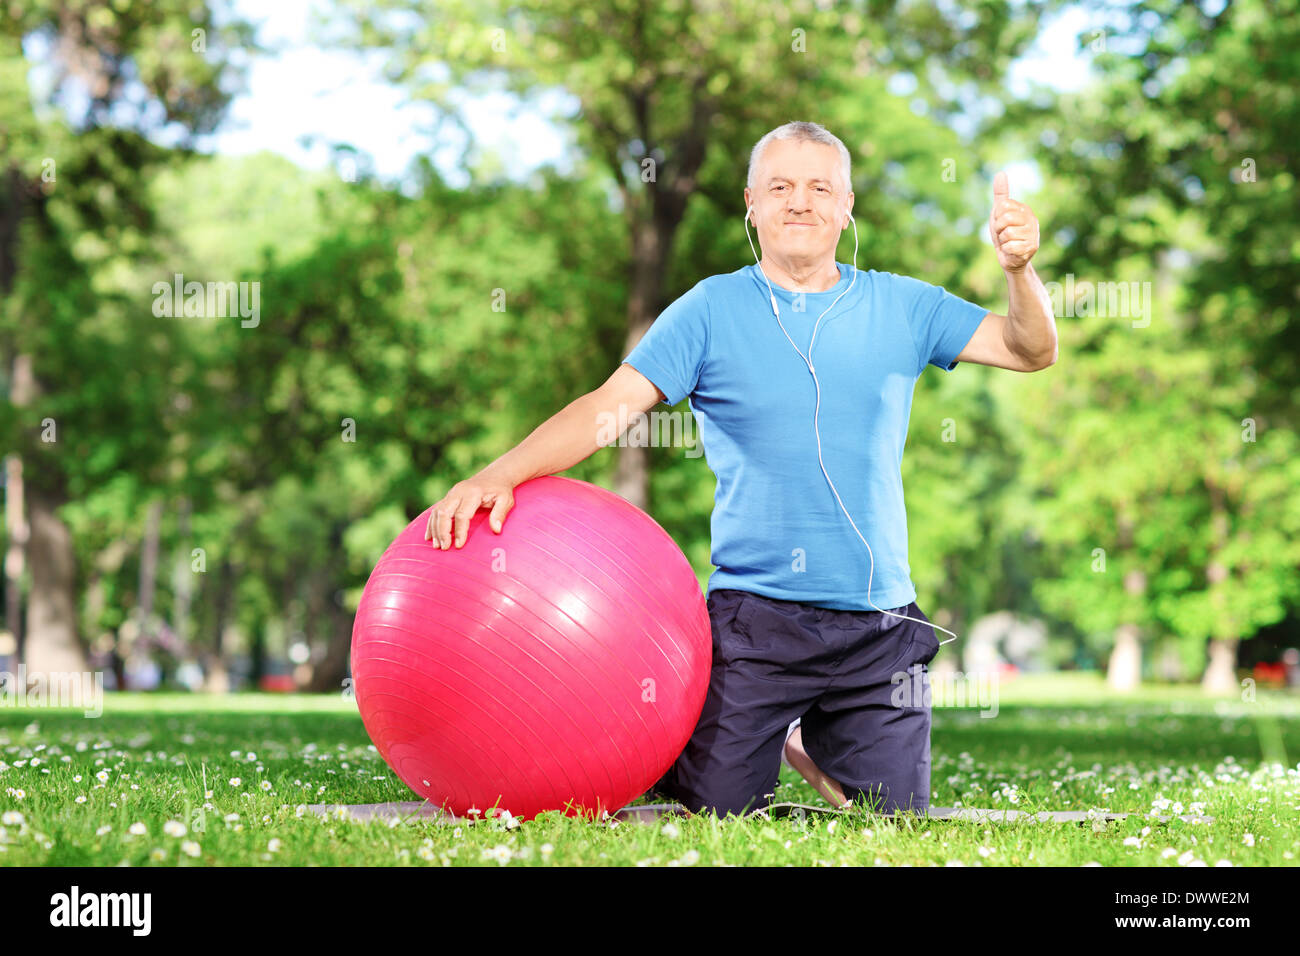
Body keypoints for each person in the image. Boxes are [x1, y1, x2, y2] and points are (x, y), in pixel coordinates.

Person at [426, 121, 1057, 819]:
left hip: (878, 630)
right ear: (751, 203)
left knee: (897, 820)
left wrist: (1019, 271)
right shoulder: (709, 309)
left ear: (847, 206)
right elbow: (609, 407)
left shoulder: (903, 305)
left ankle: (808, 746)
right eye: (780, 187)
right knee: (718, 813)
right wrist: (500, 473)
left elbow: (1029, 350)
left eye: (820, 187)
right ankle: (764, 734)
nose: (800, 202)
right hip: (755, 624)